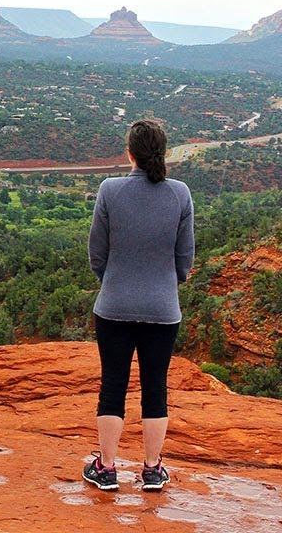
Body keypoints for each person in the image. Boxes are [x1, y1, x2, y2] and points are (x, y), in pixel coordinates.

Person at [81, 119, 194, 492]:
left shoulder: (109, 190)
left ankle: (107, 468)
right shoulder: (180, 194)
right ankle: (151, 469)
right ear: (162, 152)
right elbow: (185, 261)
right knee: (155, 387)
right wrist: (162, 284)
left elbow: (97, 253)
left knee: (113, 385)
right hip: (163, 309)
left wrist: (116, 281)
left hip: (113, 305)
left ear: (129, 152)